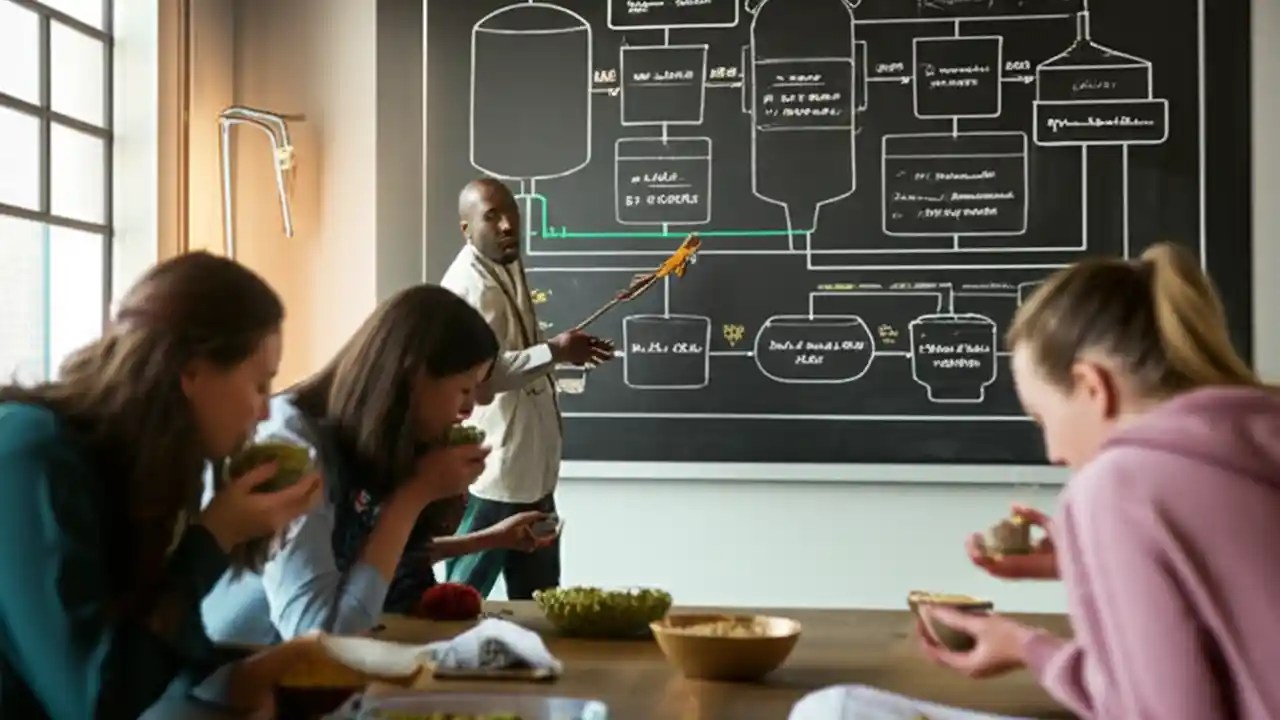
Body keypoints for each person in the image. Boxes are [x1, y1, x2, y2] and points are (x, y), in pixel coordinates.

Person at [917, 243, 1280, 720]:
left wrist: (1028, 648)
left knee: (836, 708)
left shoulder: (1116, 485)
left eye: (1042, 417)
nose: (1053, 454)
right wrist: (1081, 558)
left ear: (1092, 387)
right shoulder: (1257, 441)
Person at [0, 252, 323, 719]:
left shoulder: (139, 472)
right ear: (191, 373)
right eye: (259, 384)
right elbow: (96, 702)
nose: (265, 412)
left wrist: (243, 672)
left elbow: (149, 653)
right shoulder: (32, 457)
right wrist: (214, 537)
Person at [200, 284, 558, 645]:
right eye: (464, 390)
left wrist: (489, 534)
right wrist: (413, 495)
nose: (468, 411)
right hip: (235, 682)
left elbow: (369, 557)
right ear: (413, 375)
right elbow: (321, 637)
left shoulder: (364, 444)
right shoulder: (294, 451)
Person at [440, 177, 614, 599]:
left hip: (533, 474)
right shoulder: (469, 287)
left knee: (542, 600)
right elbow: (482, 378)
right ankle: (446, 661)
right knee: (462, 596)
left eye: (511, 214)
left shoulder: (506, 261)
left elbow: (520, 351)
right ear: (467, 229)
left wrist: (559, 353)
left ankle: (538, 662)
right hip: (498, 475)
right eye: (491, 217)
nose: (506, 226)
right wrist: (554, 352)